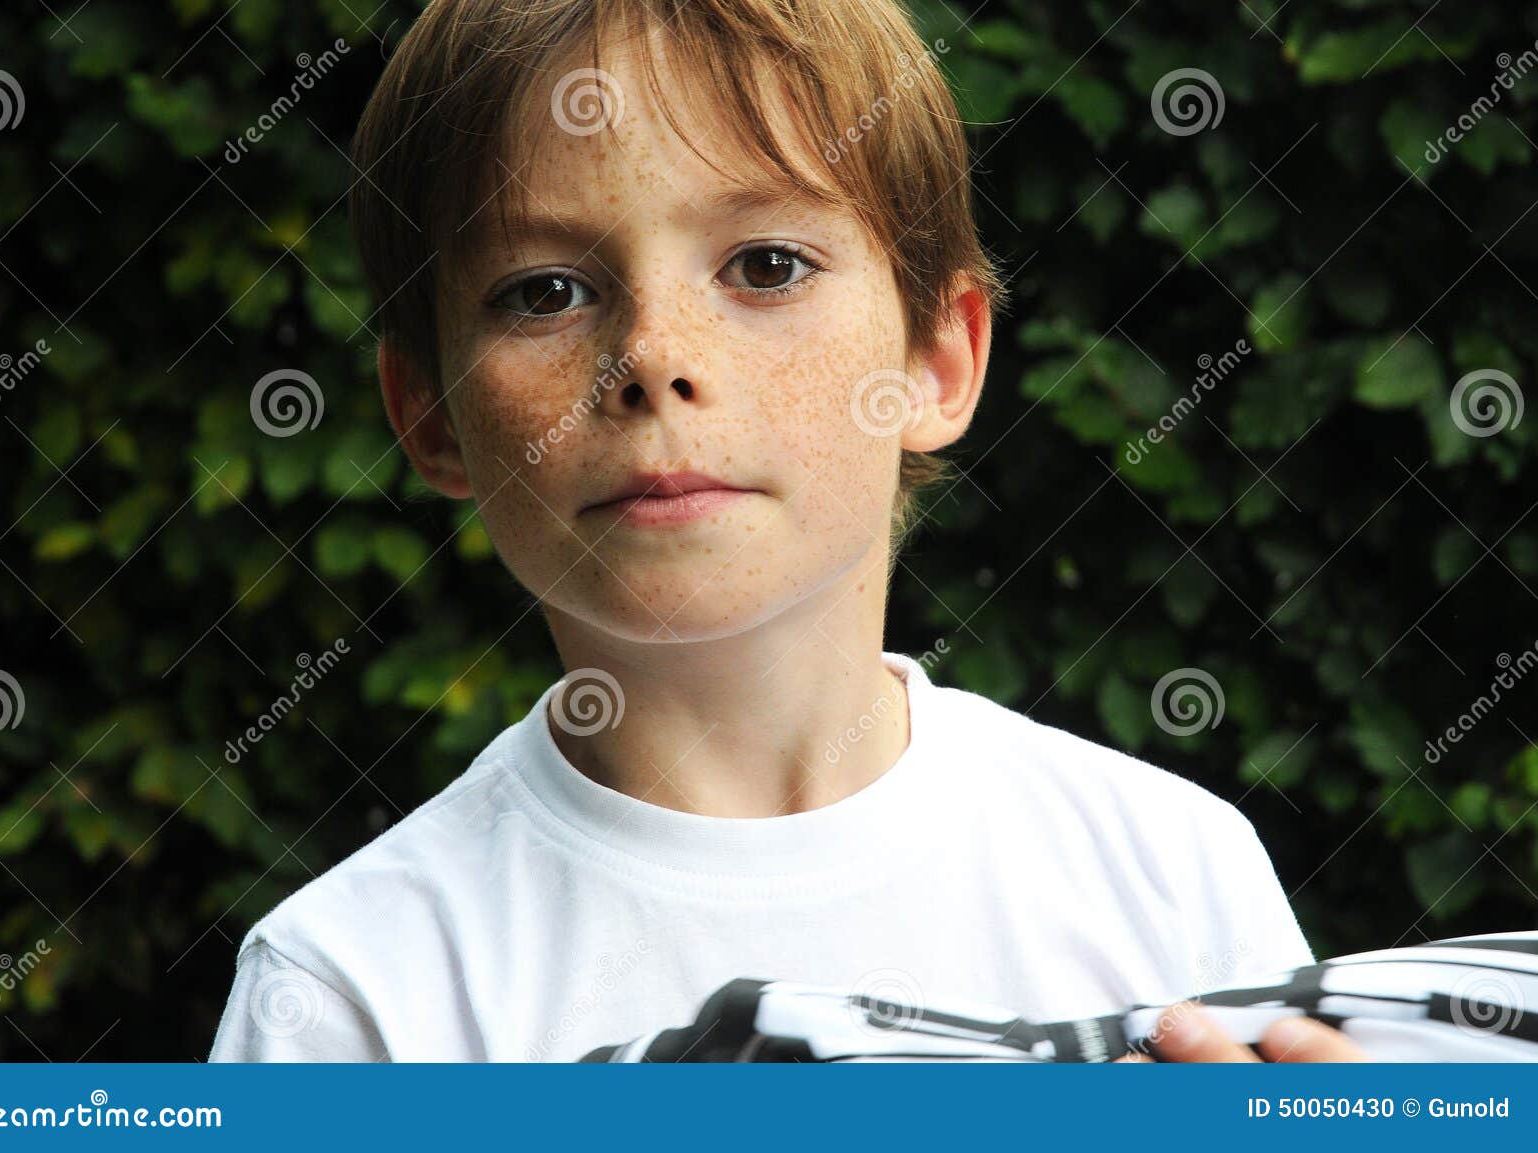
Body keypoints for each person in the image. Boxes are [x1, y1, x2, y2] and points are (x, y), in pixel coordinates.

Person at [207, 0, 1364, 1063]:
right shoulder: (353, 990)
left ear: (936, 358)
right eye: (543, 290)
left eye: (766, 265)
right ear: (429, 413)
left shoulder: (1168, 873)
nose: (653, 354)